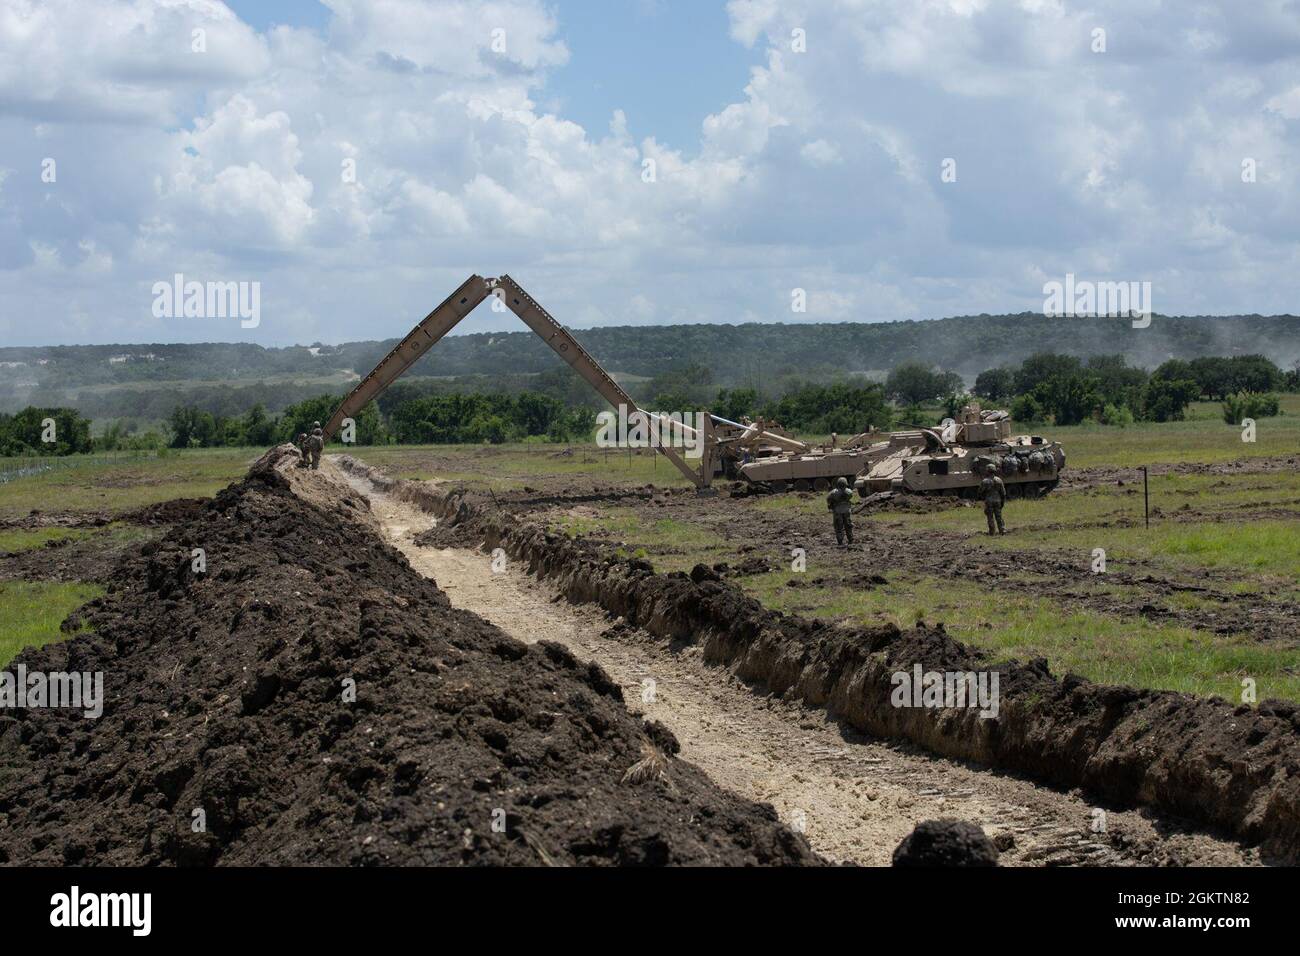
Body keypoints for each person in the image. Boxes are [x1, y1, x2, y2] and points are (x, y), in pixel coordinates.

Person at [826, 475, 855, 546]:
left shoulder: (833, 493)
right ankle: (850, 540)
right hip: (846, 510)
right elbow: (851, 496)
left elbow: (828, 499)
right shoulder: (849, 492)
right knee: (848, 526)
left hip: (837, 511)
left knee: (839, 527)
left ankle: (840, 542)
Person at [980, 463, 1006, 535]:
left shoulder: (985, 481)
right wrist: (1002, 502)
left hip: (989, 501)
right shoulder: (999, 480)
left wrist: (984, 498)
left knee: (990, 517)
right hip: (998, 501)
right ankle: (1002, 530)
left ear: (988, 471)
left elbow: (980, 492)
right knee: (999, 516)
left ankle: (992, 532)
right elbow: (1003, 493)